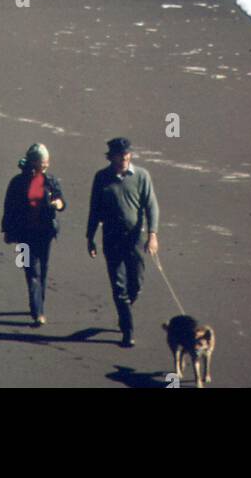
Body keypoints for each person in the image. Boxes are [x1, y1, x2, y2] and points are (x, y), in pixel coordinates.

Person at [86, 136, 159, 348]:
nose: (125, 157)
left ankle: (124, 309)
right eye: (121, 154)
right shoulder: (101, 178)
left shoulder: (142, 176)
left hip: (135, 239)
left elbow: (152, 207)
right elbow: (94, 210)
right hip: (111, 239)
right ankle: (128, 331)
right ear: (112, 156)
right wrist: (89, 237)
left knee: (136, 284)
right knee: (119, 287)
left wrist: (152, 235)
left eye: (128, 153)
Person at [1, 143, 65, 327]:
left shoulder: (50, 181)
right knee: (30, 271)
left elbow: (62, 201)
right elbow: (9, 208)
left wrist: (57, 204)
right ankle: (38, 312)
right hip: (23, 234)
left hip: (44, 233)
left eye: (47, 162)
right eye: (42, 162)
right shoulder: (17, 182)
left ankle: (37, 304)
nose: (45, 165)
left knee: (42, 270)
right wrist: (6, 231)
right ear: (33, 161)